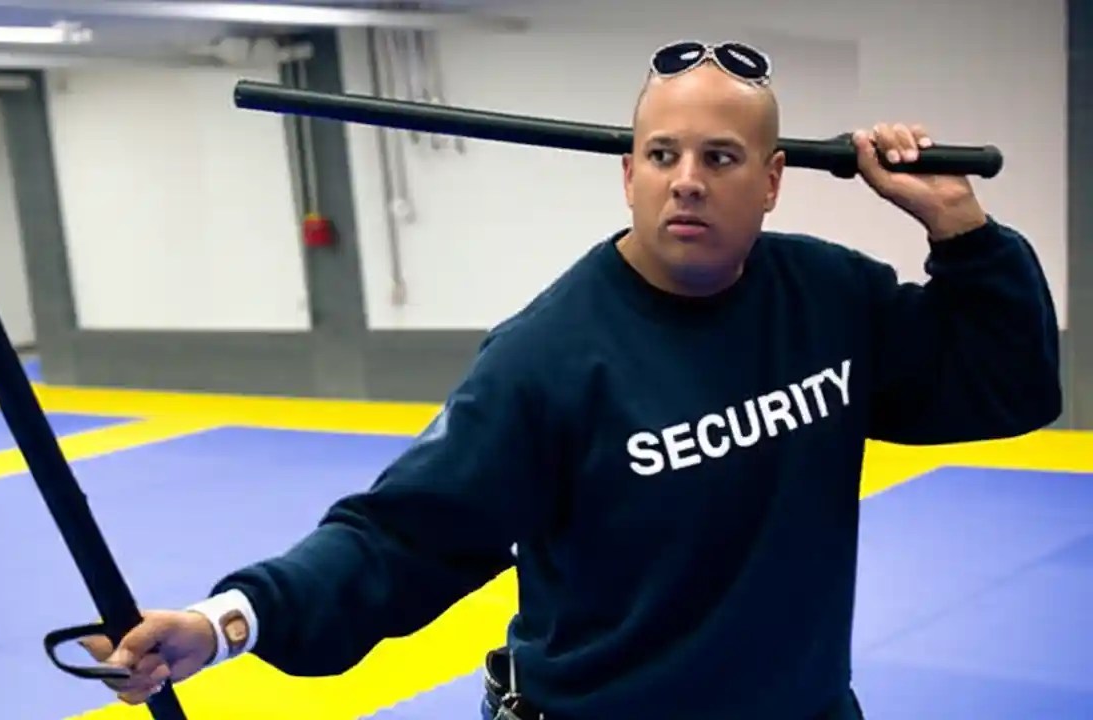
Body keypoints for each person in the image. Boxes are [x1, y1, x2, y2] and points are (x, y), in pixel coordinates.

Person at [73, 40, 1062, 719]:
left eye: (720, 156)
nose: (686, 178)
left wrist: (958, 227)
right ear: (627, 174)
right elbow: (403, 538)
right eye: (661, 153)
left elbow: (1005, 385)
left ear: (769, 181)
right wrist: (228, 621)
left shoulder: (829, 299)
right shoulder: (548, 356)